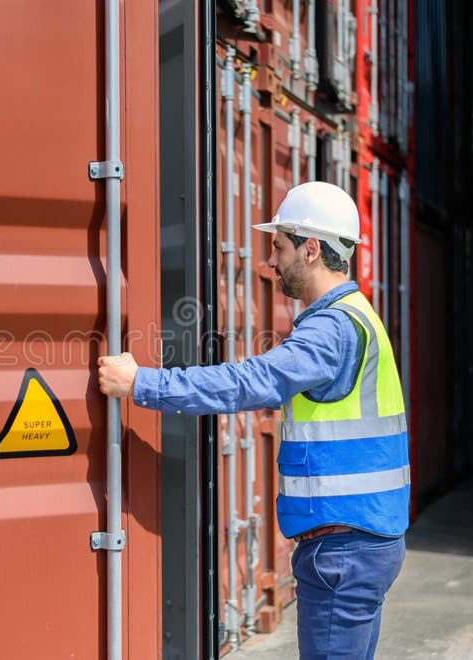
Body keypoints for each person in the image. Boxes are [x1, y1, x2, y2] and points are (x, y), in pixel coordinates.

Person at [98, 181, 409, 659]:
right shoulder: (360, 313)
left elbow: (250, 382)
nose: (271, 260)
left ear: (310, 249)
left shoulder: (331, 331)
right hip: (367, 539)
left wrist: (142, 383)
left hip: (343, 548)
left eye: (279, 246)